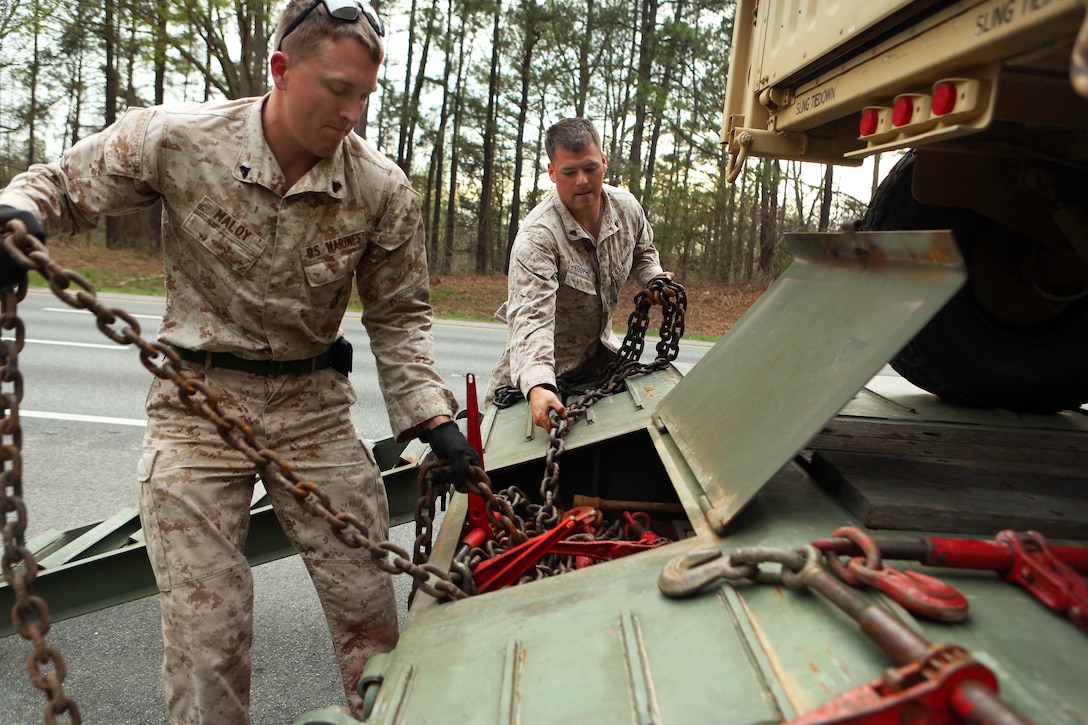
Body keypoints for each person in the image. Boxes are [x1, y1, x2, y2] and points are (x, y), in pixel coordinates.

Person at [0, 0, 478, 721]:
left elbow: (400, 316)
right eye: (337, 89)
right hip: (196, 406)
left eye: (365, 96)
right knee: (208, 644)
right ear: (282, 70)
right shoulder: (180, 139)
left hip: (313, 408)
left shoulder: (381, 190)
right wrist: (16, 213)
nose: (352, 112)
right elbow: (62, 184)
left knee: (371, 621)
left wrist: (430, 416)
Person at [485, 117, 674, 431]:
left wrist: (652, 277)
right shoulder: (538, 239)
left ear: (603, 162)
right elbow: (531, 319)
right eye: (569, 173)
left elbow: (643, 252)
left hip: (598, 364)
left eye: (590, 168)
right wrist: (538, 385)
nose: (582, 181)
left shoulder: (627, 210)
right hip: (542, 378)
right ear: (551, 173)